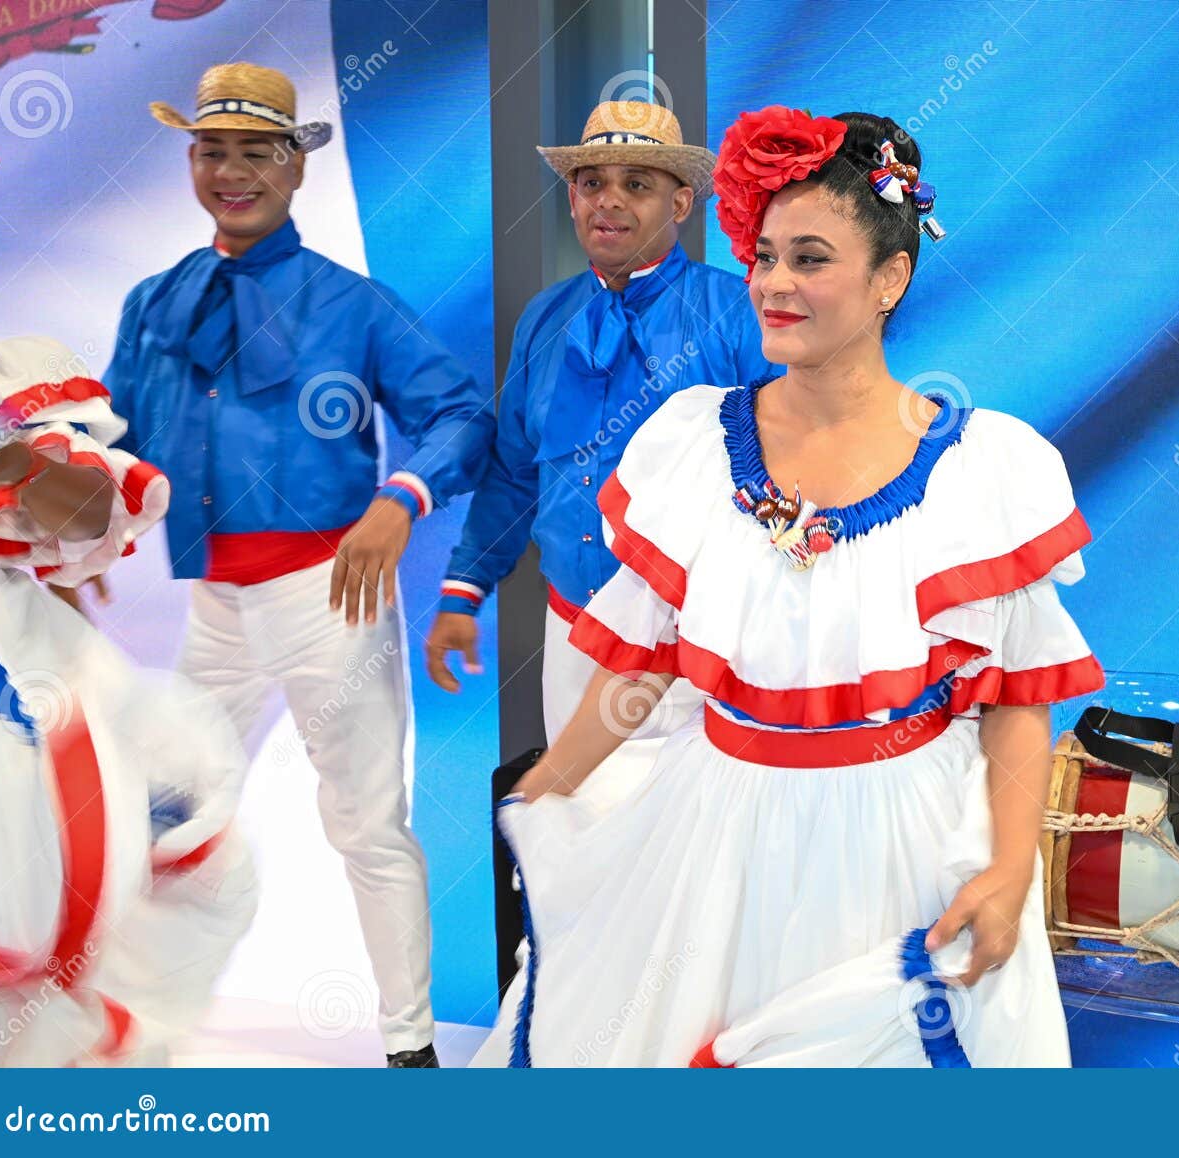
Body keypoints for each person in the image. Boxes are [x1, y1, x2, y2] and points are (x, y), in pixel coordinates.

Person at [471, 107, 1104, 1068]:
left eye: (810, 259)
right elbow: (642, 663)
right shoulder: (691, 443)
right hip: (716, 838)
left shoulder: (987, 471)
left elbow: (1017, 697)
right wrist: (549, 790)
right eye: (765, 256)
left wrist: (1013, 866)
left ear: (890, 277)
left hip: (899, 849)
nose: (772, 284)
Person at [100, 63, 495, 1067]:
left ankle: (410, 1048)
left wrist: (398, 501)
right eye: (212, 149)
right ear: (192, 161)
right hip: (214, 607)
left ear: (294, 166)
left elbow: (460, 418)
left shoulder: (352, 305)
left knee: (367, 826)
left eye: (254, 151)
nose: (231, 171)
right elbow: (108, 438)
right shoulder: (155, 303)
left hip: (332, 595)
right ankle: (127, 1027)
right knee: (158, 815)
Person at [428, 99, 776, 761]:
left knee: (687, 848)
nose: (608, 201)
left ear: (679, 204)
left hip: (692, 643)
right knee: (576, 832)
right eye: (592, 184)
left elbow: (792, 470)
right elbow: (512, 472)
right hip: (571, 633)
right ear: (571, 200)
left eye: (636, 184)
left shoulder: (738, 314)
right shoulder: (544, 318)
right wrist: (462, 588)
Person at [0, 334, 256, 1067]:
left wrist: (7, 458)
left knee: (182, 822)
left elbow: (85, 514)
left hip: (20, 651)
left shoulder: (6, 379)